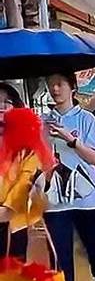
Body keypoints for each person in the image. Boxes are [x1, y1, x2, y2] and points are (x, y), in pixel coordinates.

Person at [43, 72, 95, 281]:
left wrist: (70, 139)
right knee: (58, 254)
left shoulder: (86, 118)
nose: (55, 89)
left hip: (87, 196)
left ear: (72, 87)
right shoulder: (43, 122)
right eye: (51, 84)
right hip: (54, 199)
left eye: (60, 83)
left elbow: (94, 158)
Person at [0, 83, 50, 262]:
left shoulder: (28, 146)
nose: (2, 106)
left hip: (12, 224)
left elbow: (26, 180)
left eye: (7, 102)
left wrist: (7, 209)